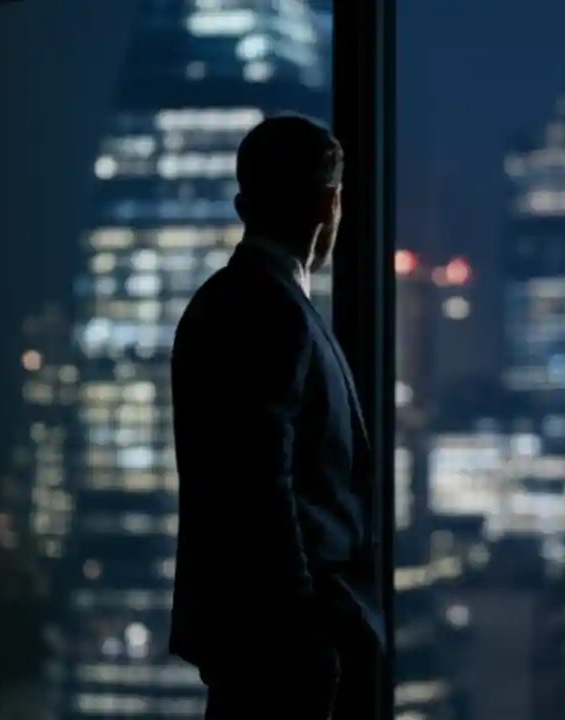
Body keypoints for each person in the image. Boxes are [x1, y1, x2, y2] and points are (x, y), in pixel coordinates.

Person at [169, 113, 383, 719]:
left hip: (257, 641)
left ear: (243, 205)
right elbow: (265, 488)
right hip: (285, 650)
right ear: (331, 204)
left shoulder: (226, 301)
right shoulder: (274, 311)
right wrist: (306, 634)